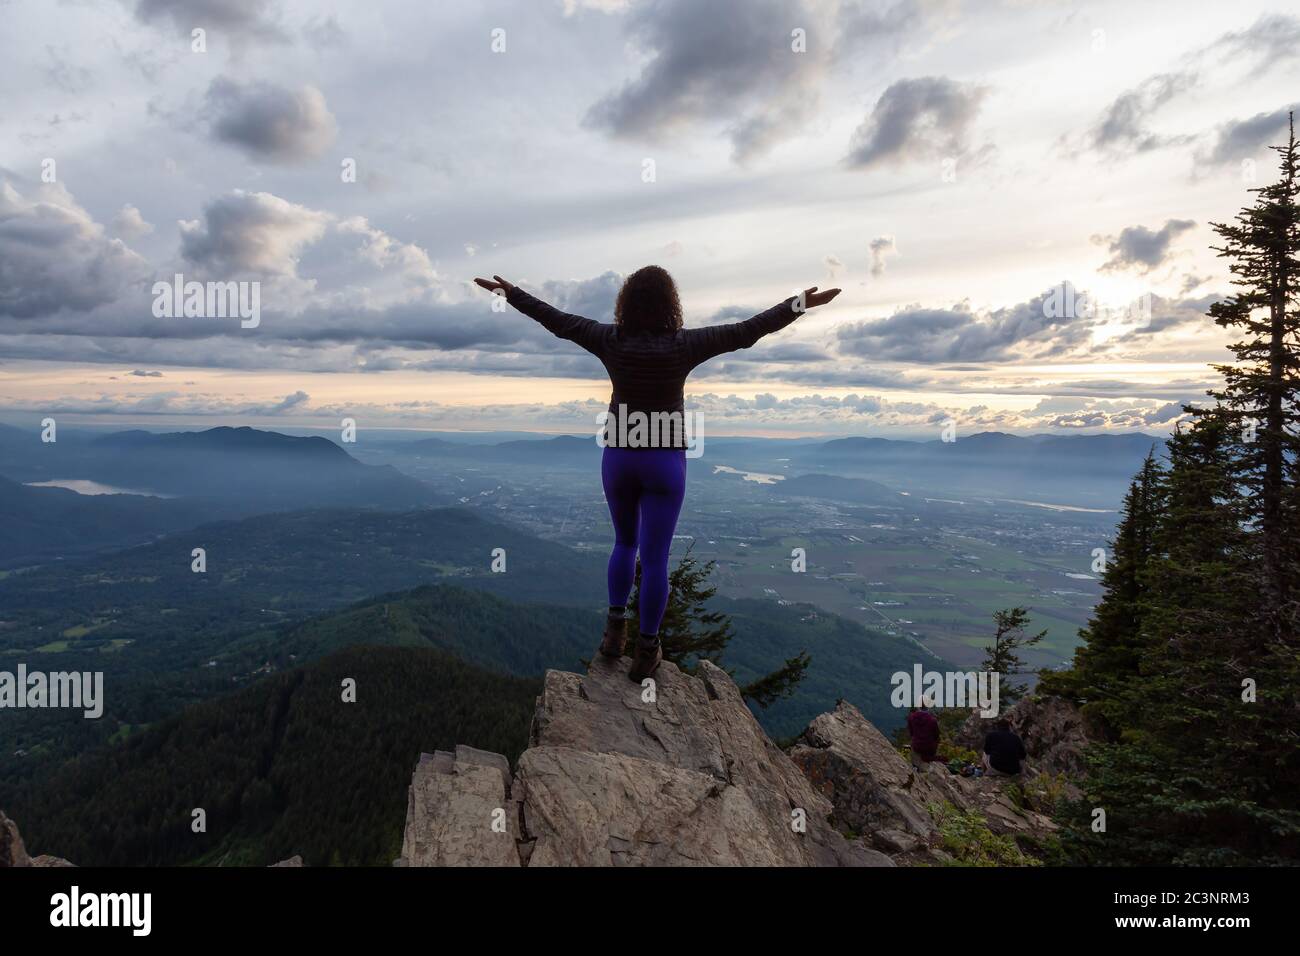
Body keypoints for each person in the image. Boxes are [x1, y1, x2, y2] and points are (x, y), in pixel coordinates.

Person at [474, 267, 840, 682]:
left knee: (624, 543)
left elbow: (555, 319)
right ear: (672, 304)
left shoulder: (608, 339)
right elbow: (748, 330)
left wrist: (511, 293)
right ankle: (646, 651)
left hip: (620, 457)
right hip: (665, 461)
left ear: (625, 302)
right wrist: (800, 305)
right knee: (655, 560)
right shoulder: (685, 345)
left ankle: (614, 633)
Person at [906, 703, 940, 771]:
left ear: (918, 707)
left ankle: (915, 766)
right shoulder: (933, 720)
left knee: (914, 745)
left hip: (917, 746)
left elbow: (911, 733)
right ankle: (927, 765)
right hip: (929, 748)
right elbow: (936, 735)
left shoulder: (911, 718)